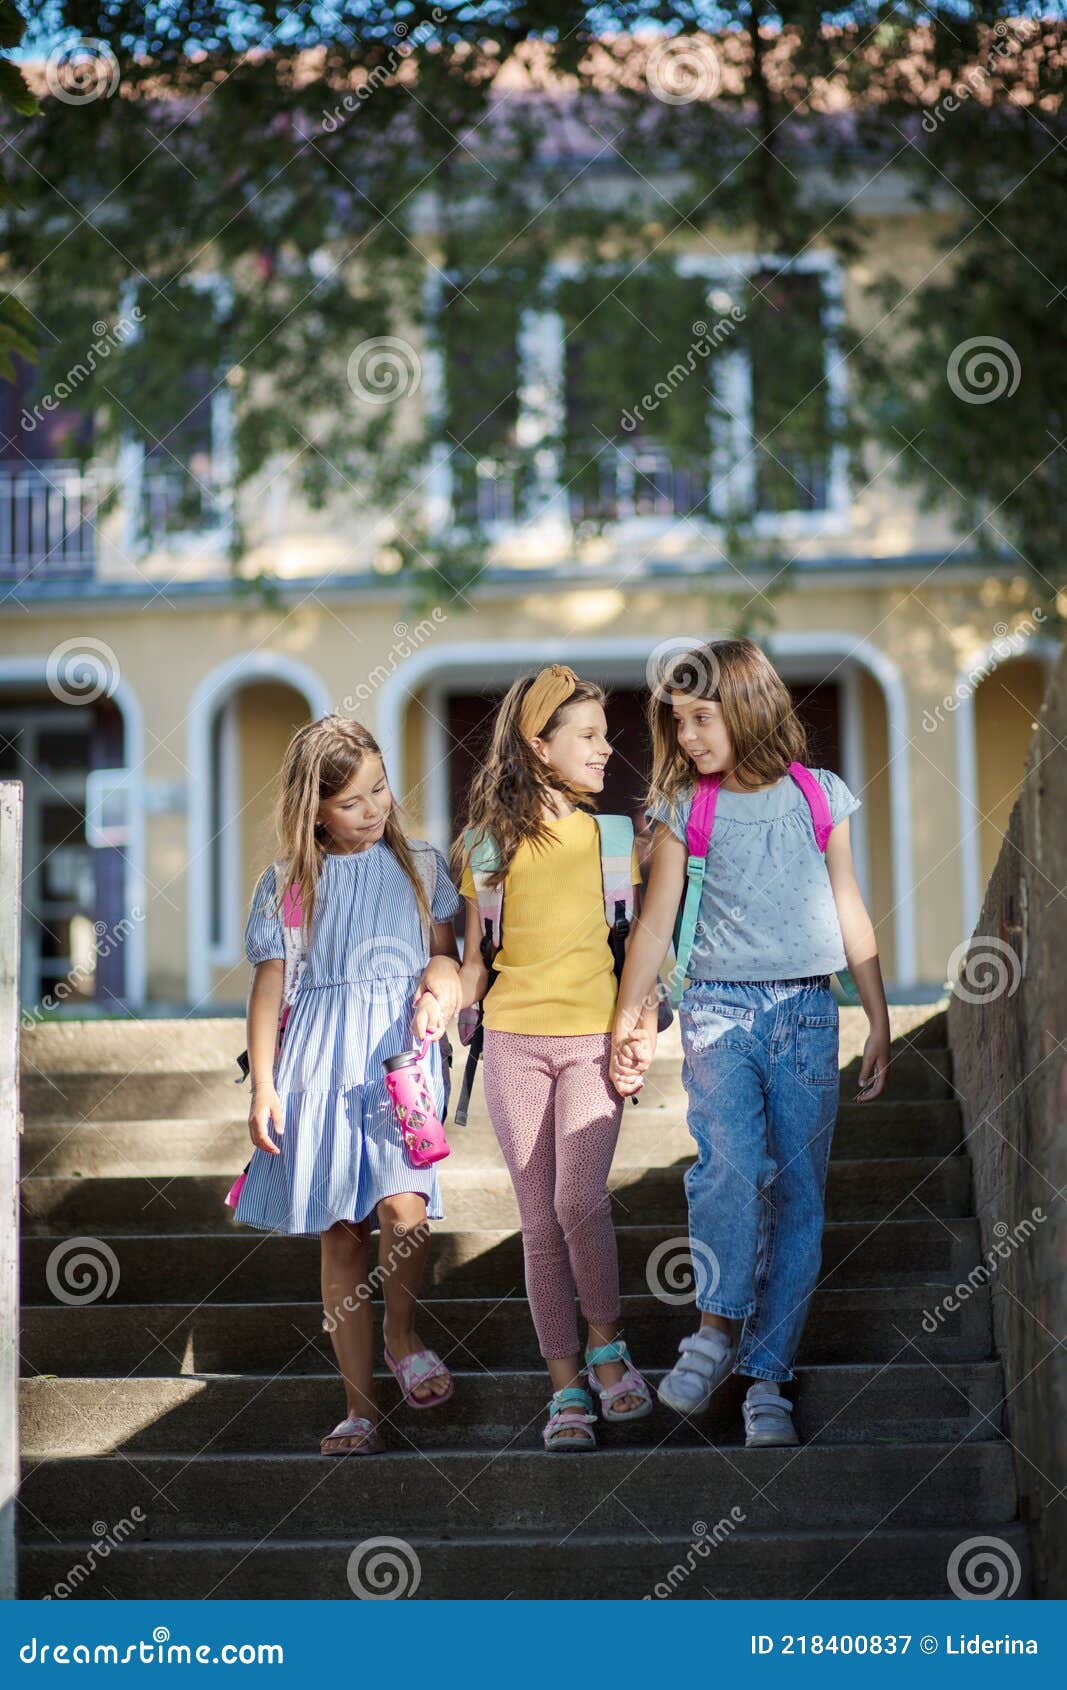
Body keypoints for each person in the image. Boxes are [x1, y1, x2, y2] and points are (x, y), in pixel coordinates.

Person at [611, 638, 890, 1447]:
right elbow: (656, 924)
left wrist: (874, 1016)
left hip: (807, 1012)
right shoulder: (680, 809)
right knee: (728, 1167)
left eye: (703, 717)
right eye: (679, 721)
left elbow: (849, 906)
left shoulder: (818, 796)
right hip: (716, 1010)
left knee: (797, 1195)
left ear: (748, 705)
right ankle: (713, 1329)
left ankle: (768, 1378)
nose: (689, 735)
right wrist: (629, 1018)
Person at [237, 714, 463, 1455]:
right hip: (319, 1065)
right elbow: (271, 987)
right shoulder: (291, 883)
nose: (375, 809)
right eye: (353, 802)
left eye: (381, 788)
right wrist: (263, 1086)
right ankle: (360, 1409)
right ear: (315, 811)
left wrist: (439, 982)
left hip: (398, 1057)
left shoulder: (420, 864)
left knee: (405, 1207)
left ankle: (401, 1335)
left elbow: (445, 955)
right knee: (340, 1234)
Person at [455, 665, 658, 1451]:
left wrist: (640, 1020)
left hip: (589, 1044)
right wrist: (449, 996)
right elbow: (478, 959)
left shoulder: (614, 839)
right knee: (538, 1222)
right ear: (538, 746)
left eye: (605, 736)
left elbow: (642, 945)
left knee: (579, 1199)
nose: (606, 750)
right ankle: (565, 1387)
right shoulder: (481, 848)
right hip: (510, 1042)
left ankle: (609, 1350)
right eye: (588, 737)